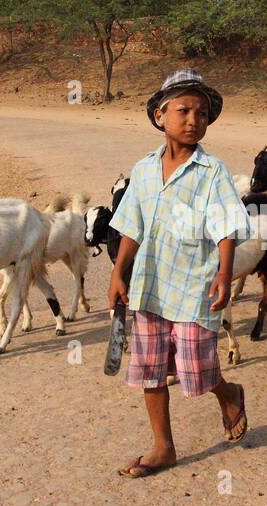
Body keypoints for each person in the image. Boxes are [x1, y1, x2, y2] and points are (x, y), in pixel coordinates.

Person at [107, 69, 251, 478]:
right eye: (184, 110)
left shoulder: (213, 172)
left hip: (193, 286)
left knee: (196, 368)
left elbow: (225, 226)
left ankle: (228, 393)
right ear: (159, 115)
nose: (194, 120)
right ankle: (163, 447)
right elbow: (131, 225)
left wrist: (224, 274)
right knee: (150, 368)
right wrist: (119, 272)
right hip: (150, 286)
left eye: (202, 113)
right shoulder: (145, 170)